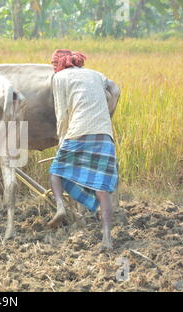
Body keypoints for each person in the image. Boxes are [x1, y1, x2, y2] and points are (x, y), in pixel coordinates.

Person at [48, 49, 119, 249]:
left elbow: (62, 113)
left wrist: (62, 141)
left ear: (58, 65)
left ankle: (60, 207)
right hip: (104, 134)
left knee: (56, 172)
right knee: (102, 190)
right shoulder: (96, 74)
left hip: (78, 131)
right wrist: (109, 112)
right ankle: (107, 238)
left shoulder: (59, 77)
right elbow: (115, 89)